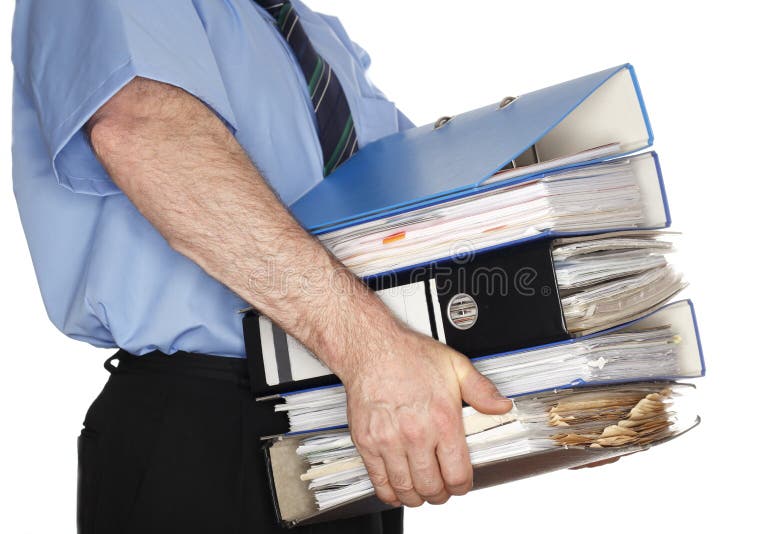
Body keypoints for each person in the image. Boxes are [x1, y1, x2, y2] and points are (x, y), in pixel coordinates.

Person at [11, 1, 516, 532]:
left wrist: (566, 376)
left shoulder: (315, 35)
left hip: (358, 418)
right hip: (206, 428)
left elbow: (416, 214)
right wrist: (371, 347)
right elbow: (146, 136)